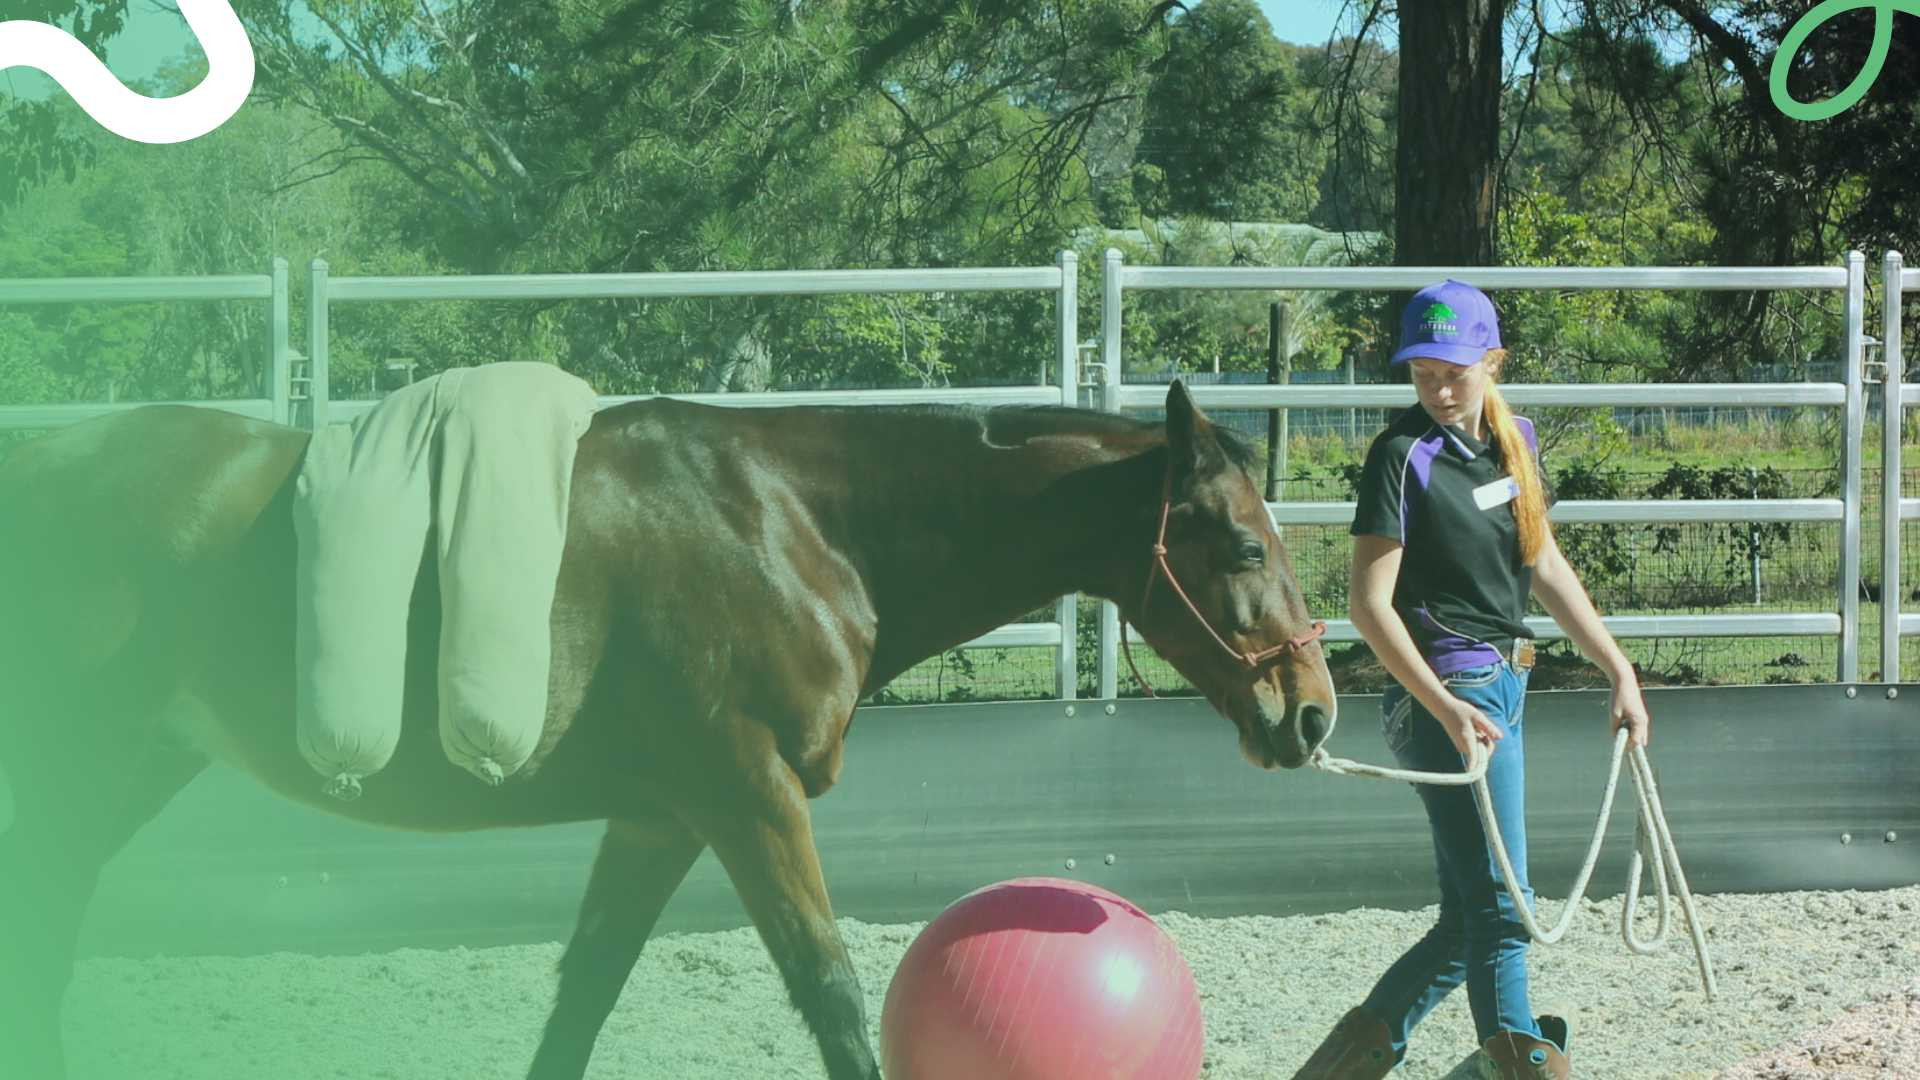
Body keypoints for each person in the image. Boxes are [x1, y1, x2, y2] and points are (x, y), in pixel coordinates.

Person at [1291, 280, 1651, 1080]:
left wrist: (1617, 669)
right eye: (1423, 374)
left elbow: (1544, 563)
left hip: (1500, 691)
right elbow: (1368, 604)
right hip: (1453, 697)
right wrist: (1446, 706)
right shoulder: (1400, 455)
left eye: (1454, 373)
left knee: (1468, 923)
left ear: (1492, 362)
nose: (1439, 390)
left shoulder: (1515, 441)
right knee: (1501, 918)